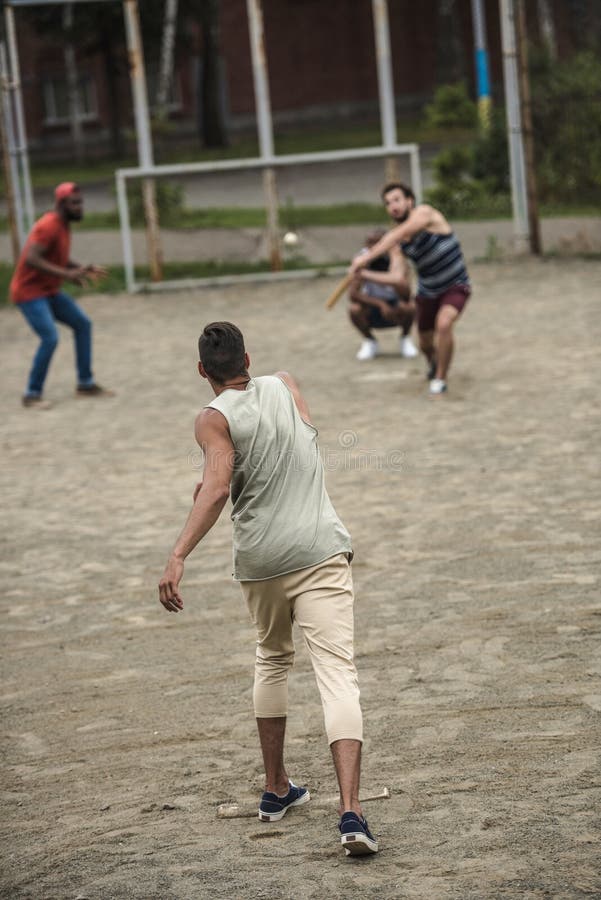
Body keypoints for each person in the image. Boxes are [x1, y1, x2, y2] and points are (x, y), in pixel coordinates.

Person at [158, 321, 378, 857]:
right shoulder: (286, 385)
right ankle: (350, 812)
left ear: (202, 371)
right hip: (319, 549)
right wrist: (222, 480)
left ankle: (277, 788)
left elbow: (216, 486)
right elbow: (288, 449)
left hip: (261, 561)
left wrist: (178, 553)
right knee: (337, 673)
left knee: (272, 659)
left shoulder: (212, 419)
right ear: (248, 359)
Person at [350, 182, 471, 395]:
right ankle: (434, 362)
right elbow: (397, 276)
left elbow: (396, 234)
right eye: (388, 203)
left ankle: (440, 378)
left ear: (409, 201)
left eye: (397, 200)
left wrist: (366, 257)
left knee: (444, 324)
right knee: (425, 342)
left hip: (455, 285)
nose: (393, 206)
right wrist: (364, 272)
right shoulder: (398, 242)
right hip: (428, 292)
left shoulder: (425, 214)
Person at [9, 182, 113, 408]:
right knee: (50, 338)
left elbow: (55, 257)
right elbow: (32, 259)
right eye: (74, 203)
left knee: (82, 324)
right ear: (61, 204)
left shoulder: (63, 224)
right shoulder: (49, 225)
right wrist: (67, 274)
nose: (79, 207)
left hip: (48, 290)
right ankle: (31, 394)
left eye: (80, 202)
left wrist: (81, 268)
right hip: (29, 292)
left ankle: (85, 384)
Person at [348, 228, 418, 361]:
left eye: (377, 243)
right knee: (354, 309)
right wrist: (380, 304)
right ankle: (370, 341)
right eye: (369, 243)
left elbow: (407, 294)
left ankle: (405, 338)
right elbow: (353, 294)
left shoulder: (398, 258)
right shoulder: (361, 260)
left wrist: (393, 282)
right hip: (372, 304)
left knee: (410, 306)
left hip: (396, 305)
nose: (372, 248)